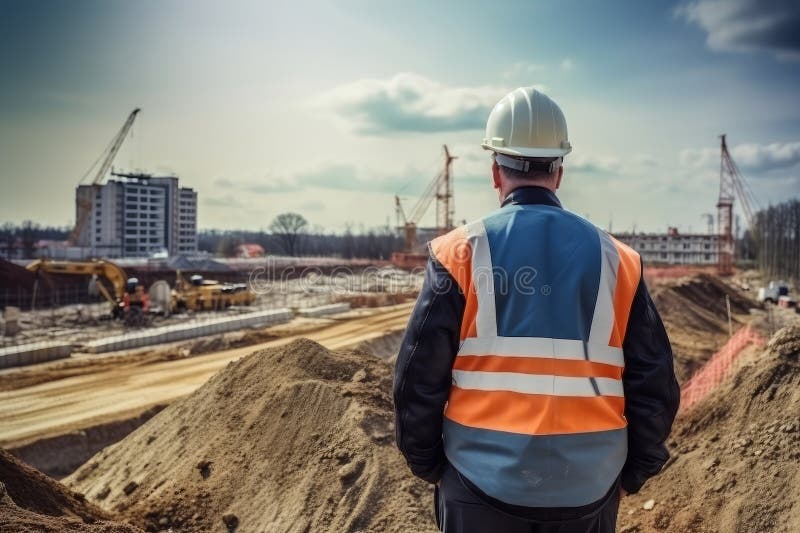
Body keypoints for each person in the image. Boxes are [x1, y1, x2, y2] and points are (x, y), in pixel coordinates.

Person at [393, 86, 679, 533]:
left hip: (478, 485)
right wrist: (634, 472)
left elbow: (417, 378)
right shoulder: (619, 261)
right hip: (589, 488)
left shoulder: (459, 254)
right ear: (559, 172)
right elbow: (654, 381)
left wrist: (430, 464)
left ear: (495, 172)